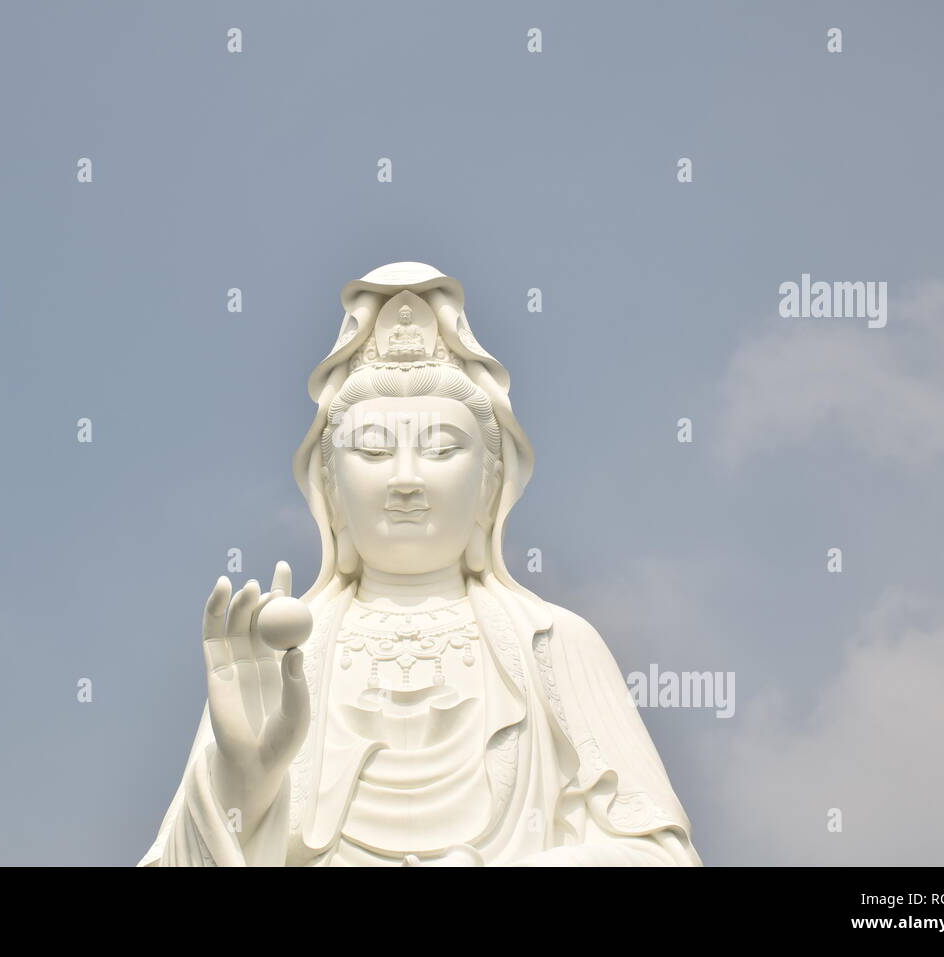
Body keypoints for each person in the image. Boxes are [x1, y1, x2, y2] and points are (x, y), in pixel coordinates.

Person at [139, 263, 702, 866]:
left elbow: (663, 859)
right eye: (375, 449)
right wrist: (240, 784)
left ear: (490, 484)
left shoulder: (554, 645)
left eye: (440, 449)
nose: (405, 480)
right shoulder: (275, 665)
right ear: (328, 487)